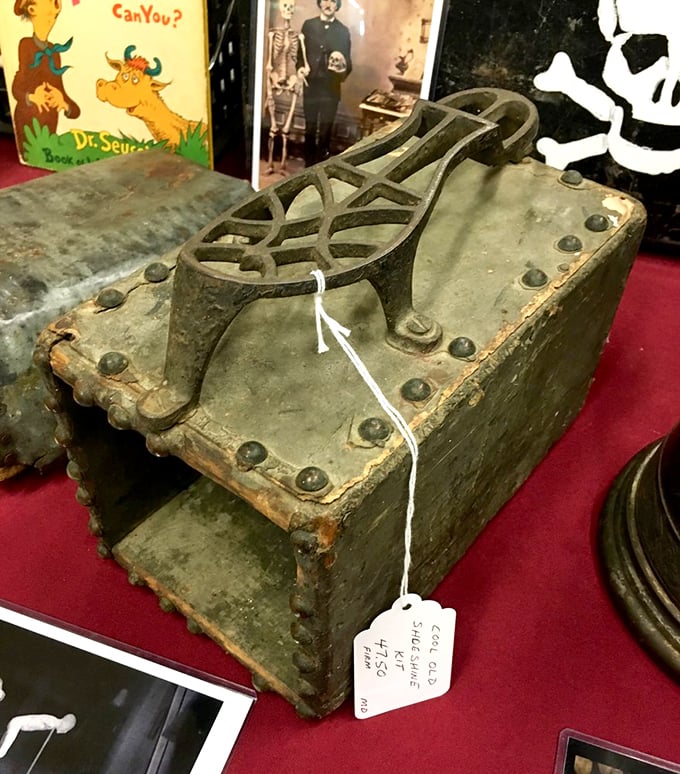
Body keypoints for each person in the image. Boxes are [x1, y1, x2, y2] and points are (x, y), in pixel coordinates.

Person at [11, 0, 80, 141]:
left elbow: (66, 98)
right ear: (31, 9)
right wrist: (31, 97)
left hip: (50, 124)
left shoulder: (54, 53)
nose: (56, 7)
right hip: (28, 121)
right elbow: (17, 86)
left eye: (55, 15)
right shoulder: (26, 45)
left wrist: (65, 105)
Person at [296, 0, 351, 166]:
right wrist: (299, 69)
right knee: (310, 128)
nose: (328, 4)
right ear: (320, 3)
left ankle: (321, 169)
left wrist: (341, 70)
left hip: (331, 89)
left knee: (326, 131)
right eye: (325, 0)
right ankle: (308, 168)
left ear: (337, 5)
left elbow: (348, 63)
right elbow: (300, 55)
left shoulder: (343, 31)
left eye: (333, 1)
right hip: (311, 87)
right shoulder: (308, 25)